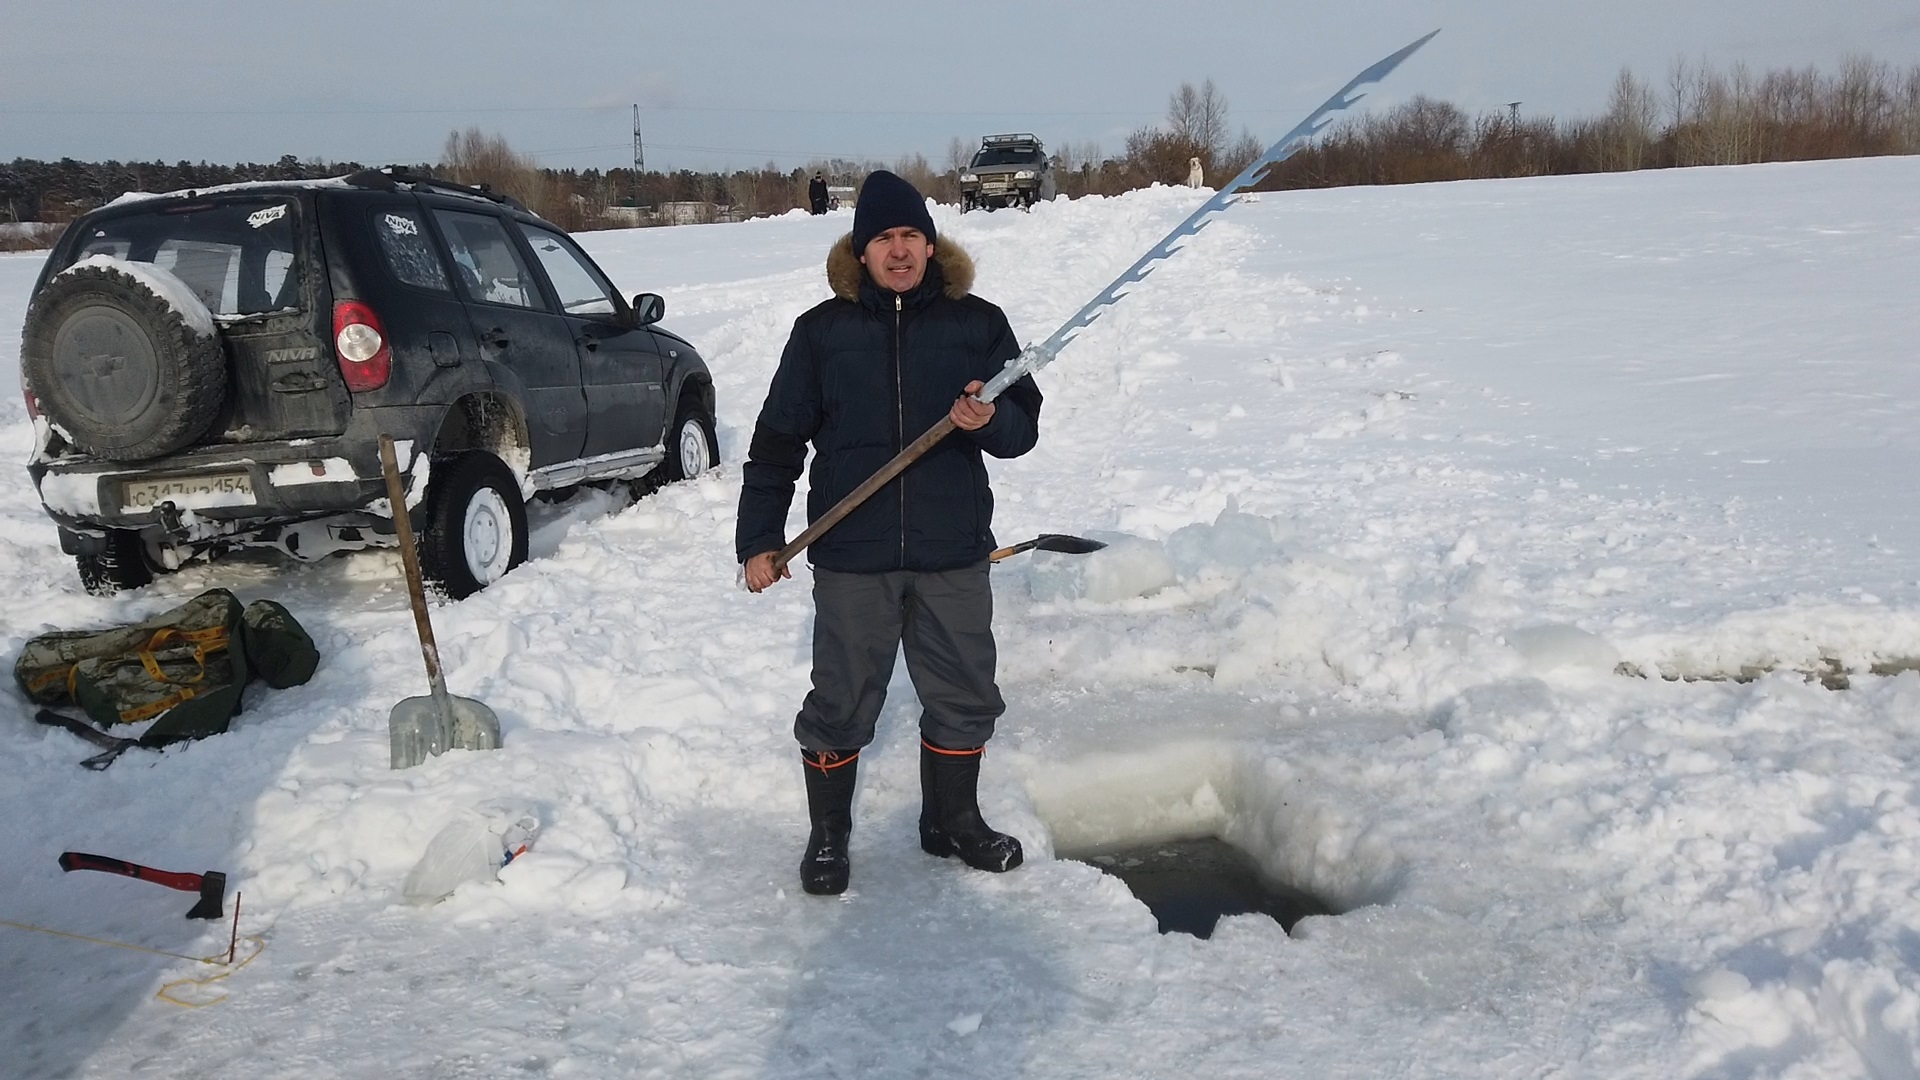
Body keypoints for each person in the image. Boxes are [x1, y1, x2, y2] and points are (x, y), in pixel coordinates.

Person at [737, 170, 1043, 897]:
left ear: (931, 246)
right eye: (883, 238)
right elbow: (776, 444)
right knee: (840, 700)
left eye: (911, 236)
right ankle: (829, 835)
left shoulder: (978, 324)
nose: (898, 250)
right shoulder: (821, 334)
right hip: (853, 556)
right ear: (861, 250)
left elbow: (1022, 429)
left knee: (964, 691)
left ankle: (952, 820)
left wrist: (988, 419)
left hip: (951, 550)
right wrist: (758, 538)